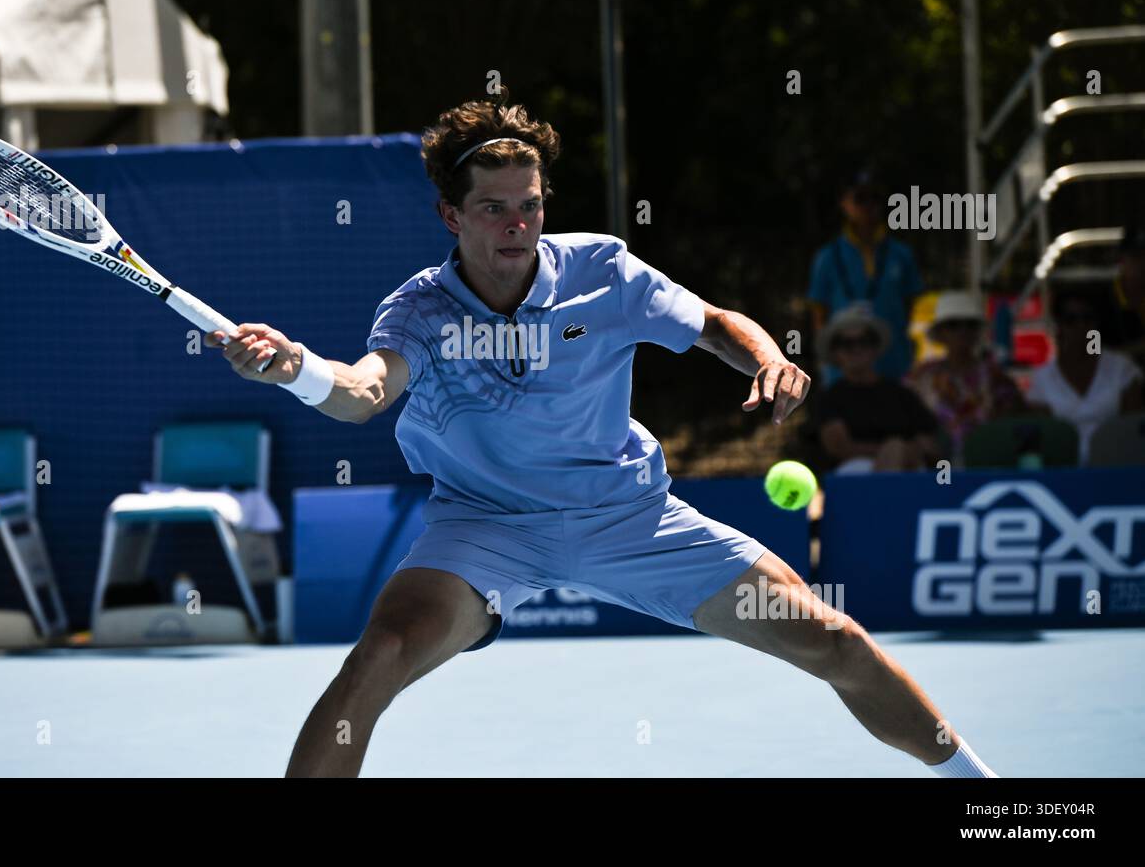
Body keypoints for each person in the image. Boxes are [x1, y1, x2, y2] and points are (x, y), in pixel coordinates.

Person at [208, 96, 996, 778]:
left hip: (629, 516)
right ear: (451, 215)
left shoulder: (605, 272)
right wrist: (295, 367)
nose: (518, 224)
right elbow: (364, 391)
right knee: (375, 659)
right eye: (494, 209)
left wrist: (766, 357)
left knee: (834, 641)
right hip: (484, 528)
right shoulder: (417, 312)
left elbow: (713, 323)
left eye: (531, 204)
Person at [807, 169, 925, 386]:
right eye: (860, 198)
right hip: (842, 370)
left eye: (875, 199)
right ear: (844, 203)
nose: (868, 206)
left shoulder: (901, 254)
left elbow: (911, 308)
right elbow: (819, 315)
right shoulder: (827, 257)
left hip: (894, 365)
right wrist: (825, 364)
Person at [814, 303, 942, 473]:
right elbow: (838, 448)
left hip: (909, 469)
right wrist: (892, 450)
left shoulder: (902, 393)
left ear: (875, 348)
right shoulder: (829, 397)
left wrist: (902, 452)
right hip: (853, 474)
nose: (856, 349)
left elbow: (929, 445)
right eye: (846, 343)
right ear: (835, 352)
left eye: (864, 341)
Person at [905, 291, 1026, 463]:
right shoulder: (920, 376)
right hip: (936, 467)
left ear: (977, 331)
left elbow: (1012, 420)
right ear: (940, 333)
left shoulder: (995, 376)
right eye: (953, 325)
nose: (963, 331)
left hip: (985, 465)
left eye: (970, 325)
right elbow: (903, 419)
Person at [1026, 290, 1144, 464]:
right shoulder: (1043, 377)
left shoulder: (1121, 368)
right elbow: (1044, 438)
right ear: (1060, 325)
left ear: (1097, 323)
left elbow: (1134, 431)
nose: (1080, 325)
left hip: (1115, 469)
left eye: (1087, 318)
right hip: (1064, 472)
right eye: (1071, 319)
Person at [1105, 224, 1145, 371]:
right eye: (1136, 257)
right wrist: (1134, 350)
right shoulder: (1097, 305)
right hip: (1116, 386)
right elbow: (1092, 351)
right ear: (1121, 259)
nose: (1143, 263)